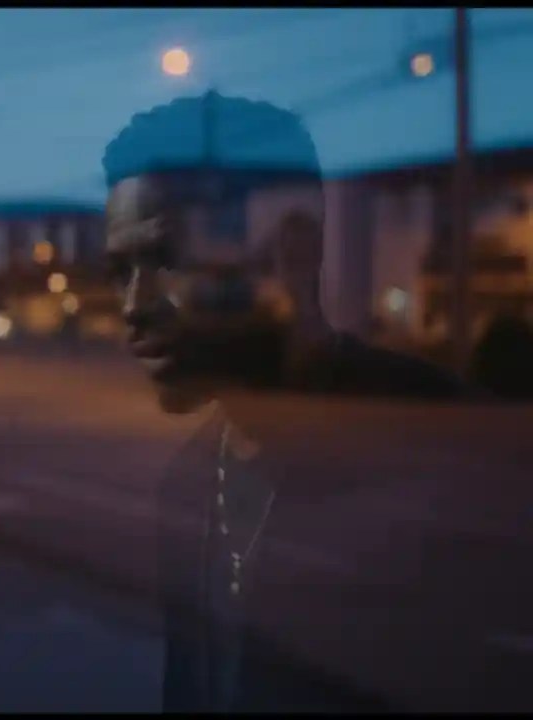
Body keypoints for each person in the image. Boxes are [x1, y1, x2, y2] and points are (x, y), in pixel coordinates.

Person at [101, 92, 470, 713]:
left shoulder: (441, 440)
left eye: (167, 259)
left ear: (294, 252)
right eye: (120, 271)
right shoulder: (185, 486)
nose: (133, 305)